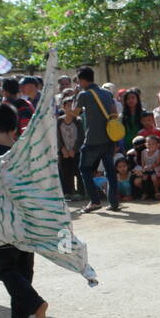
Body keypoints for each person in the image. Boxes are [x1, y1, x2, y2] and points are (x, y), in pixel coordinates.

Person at [0, 103, 49, 318]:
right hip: (26, 221)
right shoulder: (25, 154)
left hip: (0, 227)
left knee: (6, 271)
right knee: (23, 269)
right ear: (14, 128)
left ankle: (35, 304)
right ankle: (20, 315)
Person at [75, 66, 121, 214]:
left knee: (84, 168)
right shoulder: (107, 93)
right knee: (110, 171)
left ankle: (94, 201)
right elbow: (114, 113)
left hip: (93, 140)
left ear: (82, 80)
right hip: (109, 138)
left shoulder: (84, 95)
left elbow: (75, 114)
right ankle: (113, 202)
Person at [57, 96, 84, 200]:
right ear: (63, 107)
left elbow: (81, 136)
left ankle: (81, 192)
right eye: (68, 106)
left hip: (75, 152)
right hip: (64, 152)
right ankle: (67, 192)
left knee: (78, 171)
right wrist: (62, 149)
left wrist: (75, 149)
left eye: (73, 106)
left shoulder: (78, 120)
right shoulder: (59, 121)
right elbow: (58, 136)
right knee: (65, 172)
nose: (71, 108)